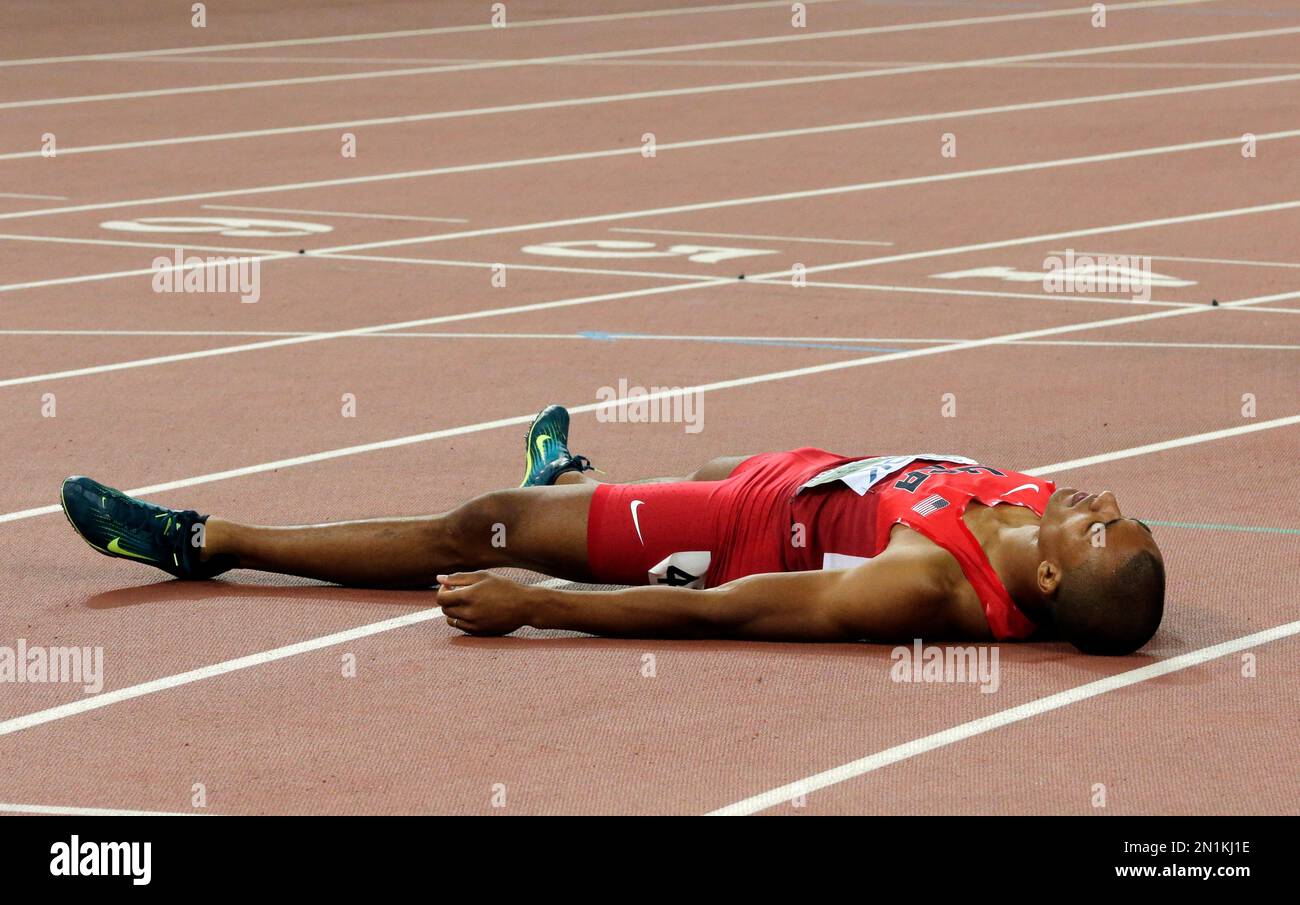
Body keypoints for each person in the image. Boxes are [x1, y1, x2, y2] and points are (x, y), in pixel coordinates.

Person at [60, 405, 1164, 654]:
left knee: (484, 528)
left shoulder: (925, 586)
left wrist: (543, 603)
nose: (1100, 499)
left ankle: (205, 540)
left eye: (1102, 525)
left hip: (736, 535)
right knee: (660, 478)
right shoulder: (1044, 513)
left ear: (1055, 573)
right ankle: (563, 492)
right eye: (1118, 510)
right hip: (796, 476)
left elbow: (729, 610)